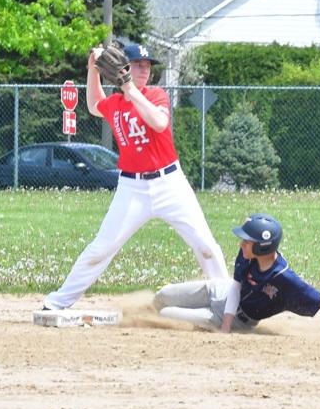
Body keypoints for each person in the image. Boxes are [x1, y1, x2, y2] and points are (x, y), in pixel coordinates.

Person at [42, 43, 228, 310]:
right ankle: (58, 302)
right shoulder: (116, 103)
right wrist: (92, 70)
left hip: (170, 184)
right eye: (138, 65)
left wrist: (130, 88)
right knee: (102, 249)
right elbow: (95, 105)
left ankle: (227, 304)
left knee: (205, 245)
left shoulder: (156, 95)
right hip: (132, 187)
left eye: (147, 66)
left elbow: (159, 123)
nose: (145, 70)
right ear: (122, 68)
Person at [153, 213, 320, 333]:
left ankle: (144, 318)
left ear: (263, 247)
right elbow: (236, 287)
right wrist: (225, 328)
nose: (241, 244)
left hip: (238, 318)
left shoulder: (285, 278)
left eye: (247, 241)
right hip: (221, 291)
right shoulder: (247, 254)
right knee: (162, 296)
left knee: (166, 313)